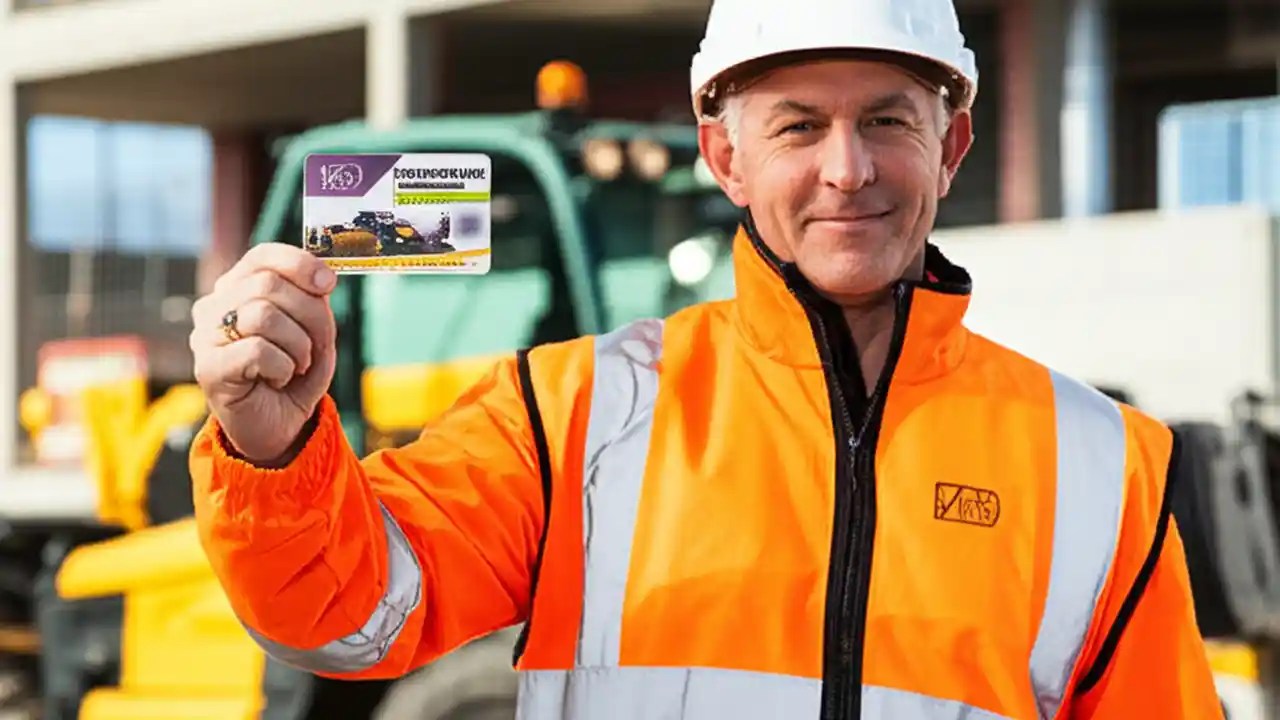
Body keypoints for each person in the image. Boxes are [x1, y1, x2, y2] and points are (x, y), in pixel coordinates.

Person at [187, 0, 1224, 717]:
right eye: (797, 126)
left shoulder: (1101, 465)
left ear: (949, 149)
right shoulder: (568, 414)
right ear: (725, 156)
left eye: (885, 122)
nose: (845, 169)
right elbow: (344, 619)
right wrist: (272, 454)